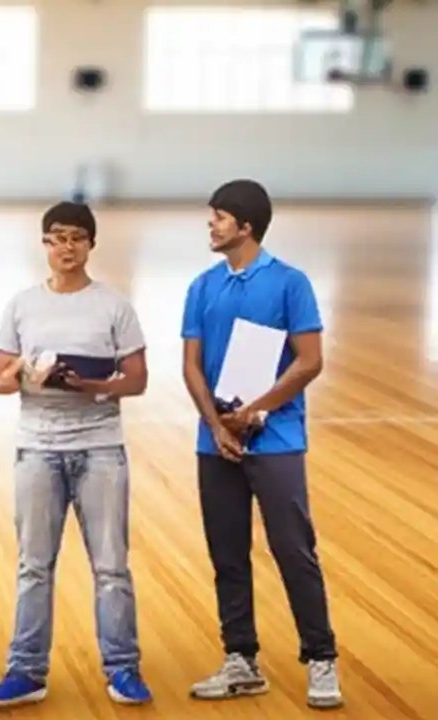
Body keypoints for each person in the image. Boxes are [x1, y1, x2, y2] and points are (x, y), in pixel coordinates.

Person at [181, 179, 342, 709]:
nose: (212, 224)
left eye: (219, 217)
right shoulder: (202, 287)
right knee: (227, 555)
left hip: (276, 441)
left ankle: (320, 658)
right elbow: (191, 364)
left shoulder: (290, 283)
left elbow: (310, 359)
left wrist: (255, 411)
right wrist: (219, 424)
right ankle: (241, 659)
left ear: (245, 226)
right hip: (217, 443)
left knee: (293, 550)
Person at [0, 201, 152, 707]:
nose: (67, 247)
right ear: (45, 244)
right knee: (34, 565)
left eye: (77, 238)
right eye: (57, 237)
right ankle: (26, 670)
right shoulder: (20, 306)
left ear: (91, 245)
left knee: (111, 567)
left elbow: (138, 378)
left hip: (101, 448)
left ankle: (123, 668)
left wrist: (93, 384)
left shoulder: (115, 306)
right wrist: (25, 373)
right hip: (37, 448)